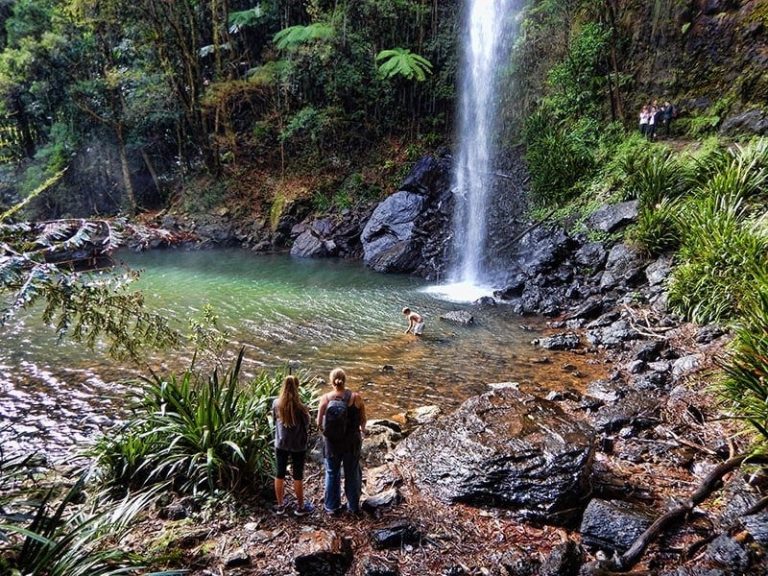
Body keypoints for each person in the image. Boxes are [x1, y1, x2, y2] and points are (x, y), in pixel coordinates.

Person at [317, 368, 367, 515]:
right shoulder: (356, 398)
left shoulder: (325, 399)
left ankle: (332, 507)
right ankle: (353, 506)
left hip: (332, 444)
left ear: (331, 381)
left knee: (332, 472)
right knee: (351, 472)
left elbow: (319, 423)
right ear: (344, 380)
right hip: (352, 443)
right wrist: (362, 431)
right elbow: (363, 420)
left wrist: (326, 431)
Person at [272, 375, 313, 516]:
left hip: (281, 443)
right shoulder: (301, 407)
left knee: (279, 474)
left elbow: (273, 421)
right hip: (298, 445)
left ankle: (280, 506)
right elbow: (307, 424)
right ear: (297, 388)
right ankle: (300, 507)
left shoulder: (276, 403)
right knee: (298, 475)